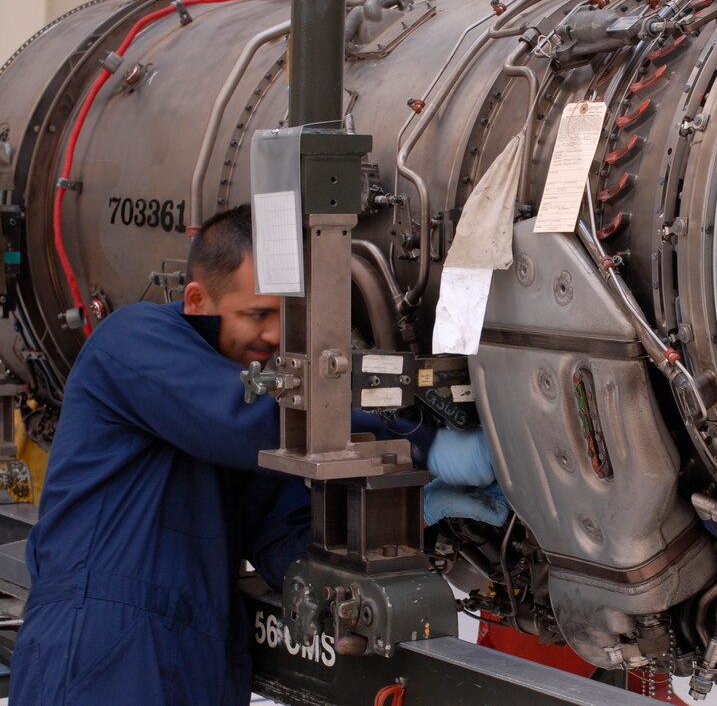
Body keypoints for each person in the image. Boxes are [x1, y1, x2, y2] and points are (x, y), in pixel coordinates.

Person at [9, 204, 505, 705]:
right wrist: (420, 443)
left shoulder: (250, 425)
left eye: (285, 315)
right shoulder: (134, 341)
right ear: (198, 300)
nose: (273, 336)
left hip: (196, 658)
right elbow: (241, 419)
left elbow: (281, 540)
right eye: (257, 314)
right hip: (100, 652)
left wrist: (408, 513)